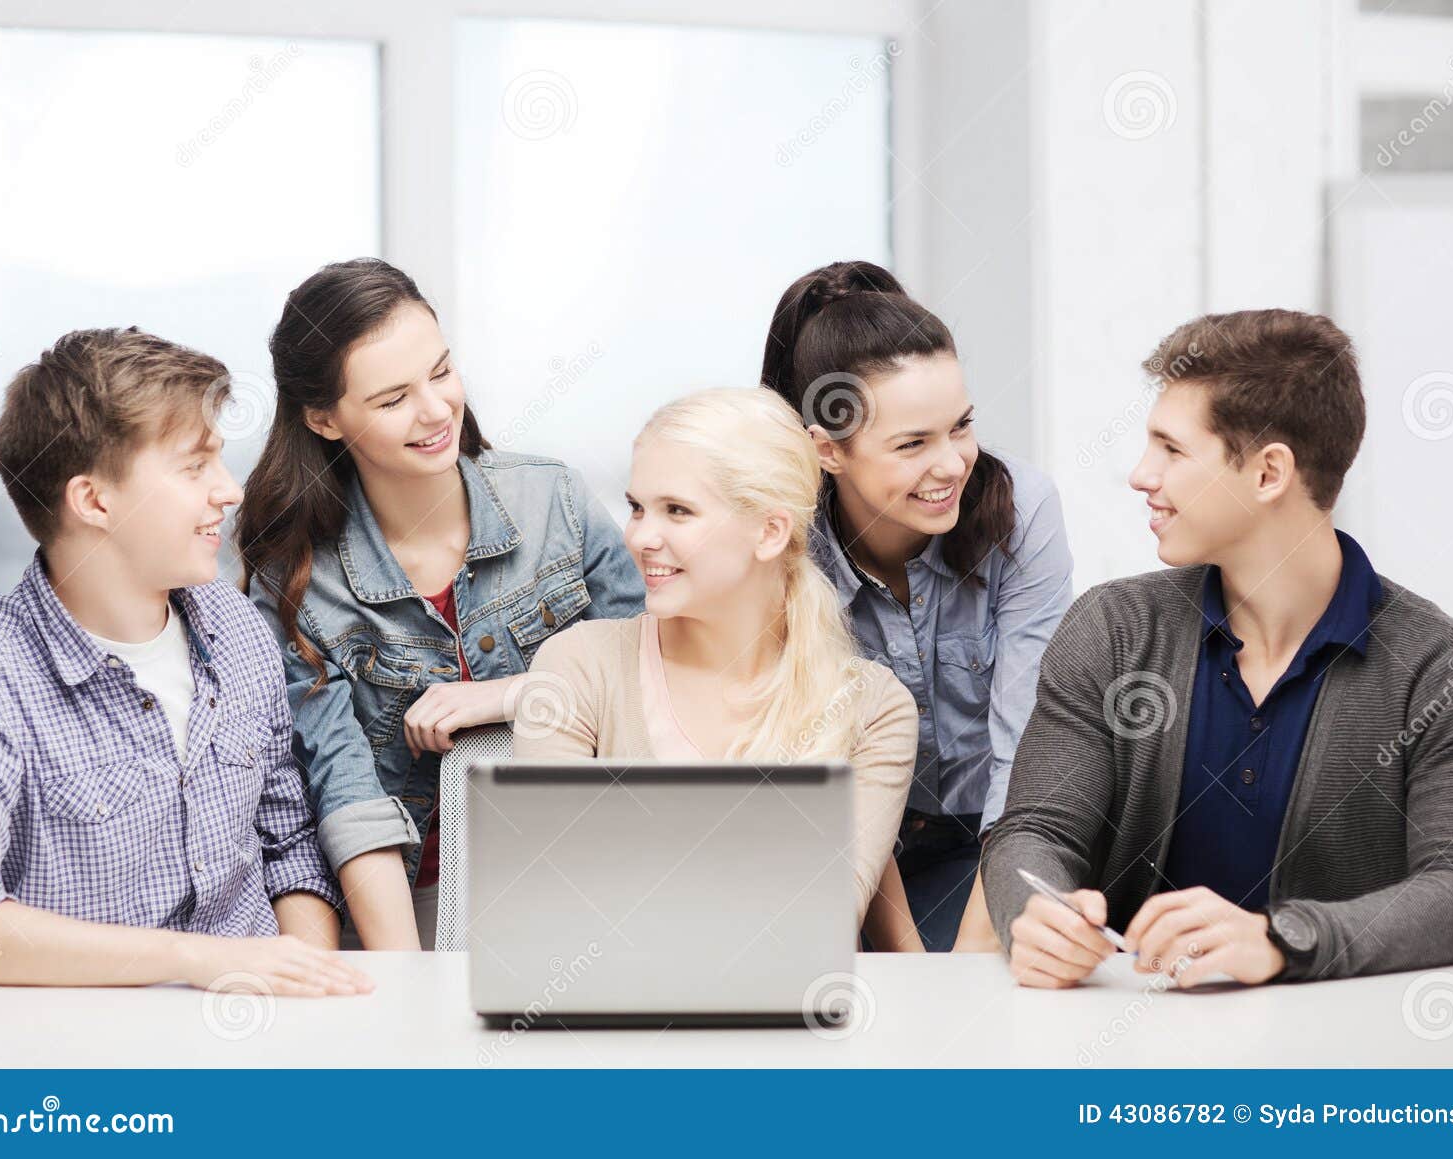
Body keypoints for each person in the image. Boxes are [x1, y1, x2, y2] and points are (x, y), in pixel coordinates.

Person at [984, 308, 1453, 987]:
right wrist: (1039, 909)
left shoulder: (1446, 675)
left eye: (1171, 449)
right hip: (1120, 1053)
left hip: (1342, 1062)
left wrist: (1284, 940)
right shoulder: (1111, 629)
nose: (1141, 474)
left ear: (1268, 473)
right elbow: (1034, 829)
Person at [0, 328, 367, 995]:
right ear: (93, 500)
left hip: (259, 1046)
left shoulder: (236, 628)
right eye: (195, 465)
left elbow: (290, 847)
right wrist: (195, 958)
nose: (229, 491)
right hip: (84, 1071)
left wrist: (302, 983)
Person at [237, 259, 644, 949]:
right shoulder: (297, 581)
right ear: (325, 420)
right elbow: (348, 794)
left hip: (588, 877)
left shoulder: (557, 504)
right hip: (407, 901)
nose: (435, 410)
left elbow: (655, 677)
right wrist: (406, 978)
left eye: (441, 371)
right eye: (393, 398)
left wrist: (515, 692)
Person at [513, 387, 919, 945]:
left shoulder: (872, 709)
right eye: (636, 507)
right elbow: (552, 904)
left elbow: (813, 931)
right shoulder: (579, 665)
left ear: (770, 531)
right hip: (606, 1025)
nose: (640, 537)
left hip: (783, 1028)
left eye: (677, 510)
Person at [760, 260, 1073, 951]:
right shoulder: (783, 546)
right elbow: (827, 776)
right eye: (912, 444)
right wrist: (916, 966)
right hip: (857, 854)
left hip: (998, 838)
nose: (952, 464)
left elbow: (1028, 747)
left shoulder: (1024, 511)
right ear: (828, 451)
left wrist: (975, 946)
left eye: (960, 427)